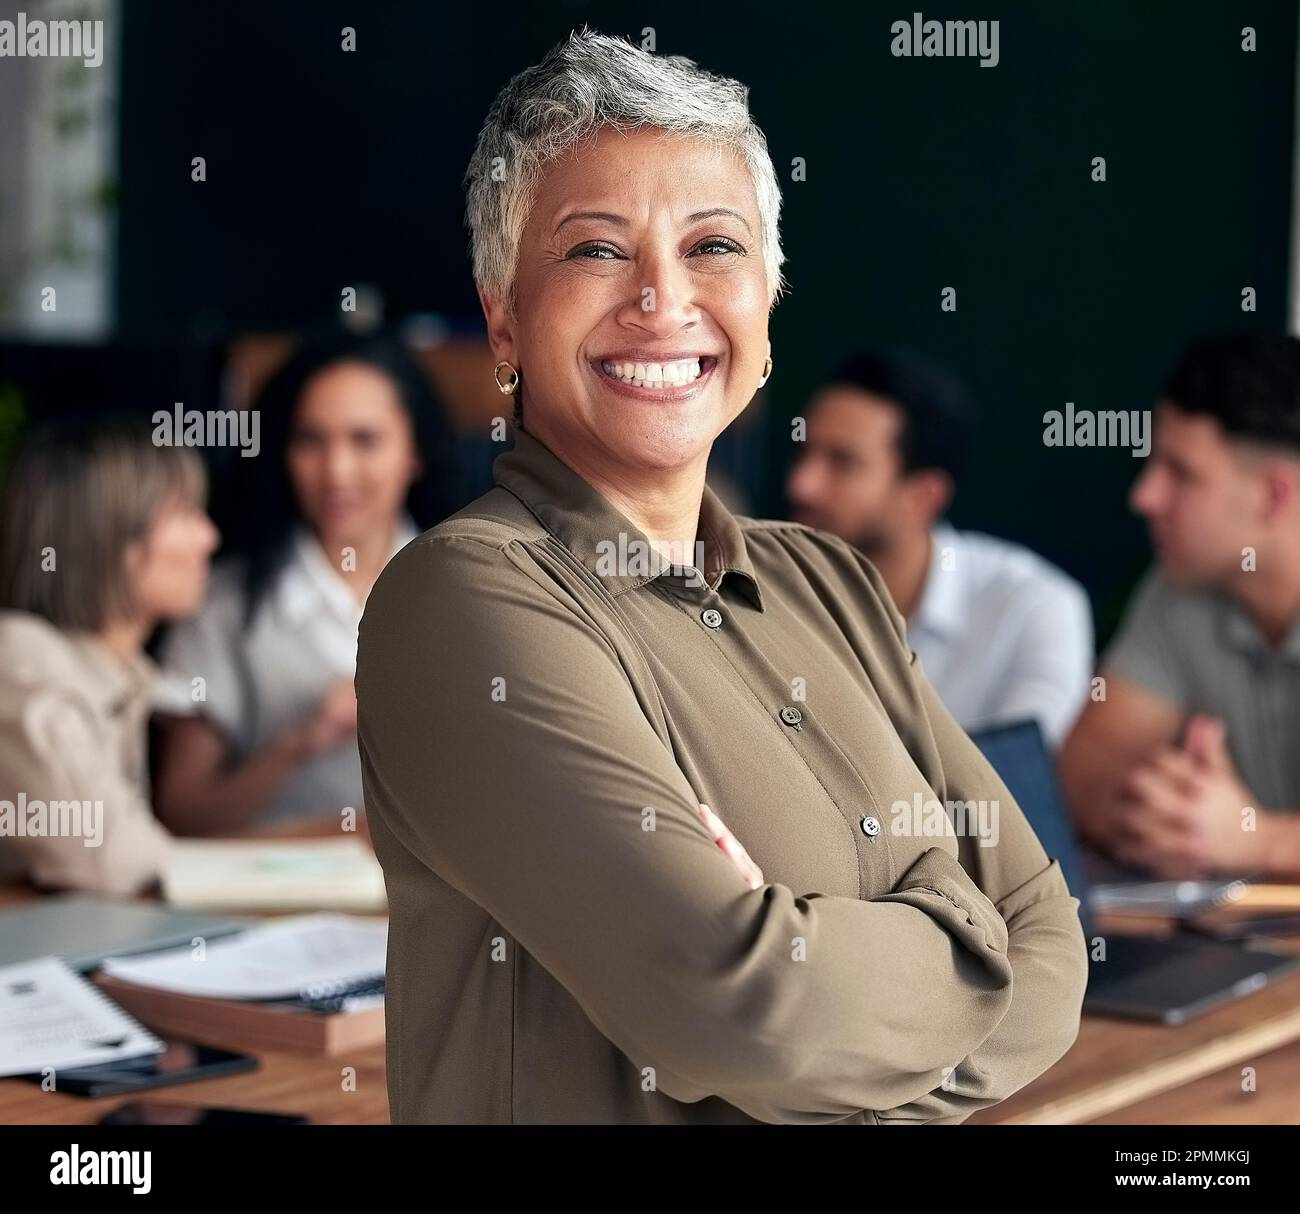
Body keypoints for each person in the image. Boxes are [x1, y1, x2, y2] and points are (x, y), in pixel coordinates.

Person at [356, 29, 1086, 1126]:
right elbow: (744, 1015)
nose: (662, 297)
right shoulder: (460, 602)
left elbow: (1051, 942)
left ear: (769, 304)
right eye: (596, 250)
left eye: (713, 245)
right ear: (503, 316)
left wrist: (818, 988)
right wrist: (948, 917)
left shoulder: (826, 580)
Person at [153, 331, 460, 831]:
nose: (336, 472)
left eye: (365, 440)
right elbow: (183, 816)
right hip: (278, 898)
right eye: (310, 441)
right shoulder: (224, 607)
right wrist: (302, 740)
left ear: (416, 453)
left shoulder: (479, 592)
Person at [1061, 333, 1300, 879]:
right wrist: (1171, 815)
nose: (1143, 497)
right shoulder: (1177, 589)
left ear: (1274, 496)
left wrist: (1258, 842)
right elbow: (1083, 782)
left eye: (1181, 472)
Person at [786, 350, 1094, 748]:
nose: (801, 484)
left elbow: (1009, 786)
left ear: (923, 496)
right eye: (803, 452)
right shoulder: (763, 590)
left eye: (842, 462)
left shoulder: (1033, 607)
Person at [0, 416, 218, 895]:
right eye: (185, 515)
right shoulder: (22, 659)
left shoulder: (125, 674)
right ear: (110, 537)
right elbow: (113, 866)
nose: (209, 538)